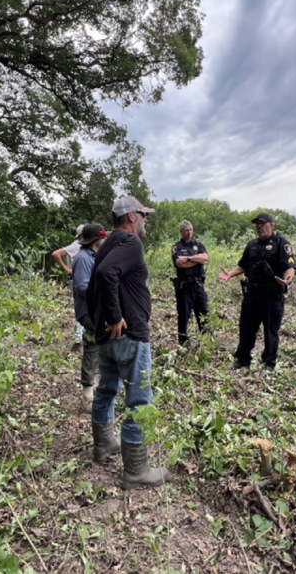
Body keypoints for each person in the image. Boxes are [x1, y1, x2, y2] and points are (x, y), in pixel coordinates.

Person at [86, 195, 169, 489]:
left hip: (107, 338)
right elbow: (106, 274)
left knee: (107, 389)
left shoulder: (106, 244)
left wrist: (101, 324)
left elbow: (93, 286)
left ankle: (103, 444)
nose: (146, 220)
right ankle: (136, 470)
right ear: (132, 216)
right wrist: (115, 316)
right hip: (129, 335)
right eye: (144, 215)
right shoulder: (130, 242)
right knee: (139, 399)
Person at [218, 213, 296, 370]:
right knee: (246, 327)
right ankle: (243, 360)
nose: (259, 226)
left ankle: (269, 363)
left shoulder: (281, 243)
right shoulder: (252, 244)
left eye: (263, 223)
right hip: (252, 293)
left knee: (271, 329)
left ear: (271, 225)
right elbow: (243, 265)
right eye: (257, 224)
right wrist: (230, 274)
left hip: (272, 294)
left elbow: (289, 266)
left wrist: (288, 279)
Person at [71, 223, 108, 414]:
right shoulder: (83, 258)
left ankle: (96, 390)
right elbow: (82, 287)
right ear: (96, 240)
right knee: (92, 347)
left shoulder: (95, 256)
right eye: (103, 237)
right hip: (88, 312)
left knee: (100, 348)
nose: (106, 240)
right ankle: (87, 395)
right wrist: (103, 295)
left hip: (97, 310)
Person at [171, 220, 210, 347]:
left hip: (198, 285)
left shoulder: (198, 244)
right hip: (185, 287)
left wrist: (188, 258)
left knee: (204, 314)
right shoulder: (177, 247)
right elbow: (180, 264)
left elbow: (205, 258)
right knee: (184, 316)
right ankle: (184, 345)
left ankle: (208, 342)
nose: (189, 233)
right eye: (186, 230)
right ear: (181, 232)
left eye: (191, 230)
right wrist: (197, 259)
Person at [52, 224, 87, 351]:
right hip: (77, 280)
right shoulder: (76, 246)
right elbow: (56, 254)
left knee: (83, 309)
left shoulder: (81, 246)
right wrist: (67, 269)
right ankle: (78, 340)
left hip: (78, 280)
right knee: (81, 309)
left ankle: (81, 338)